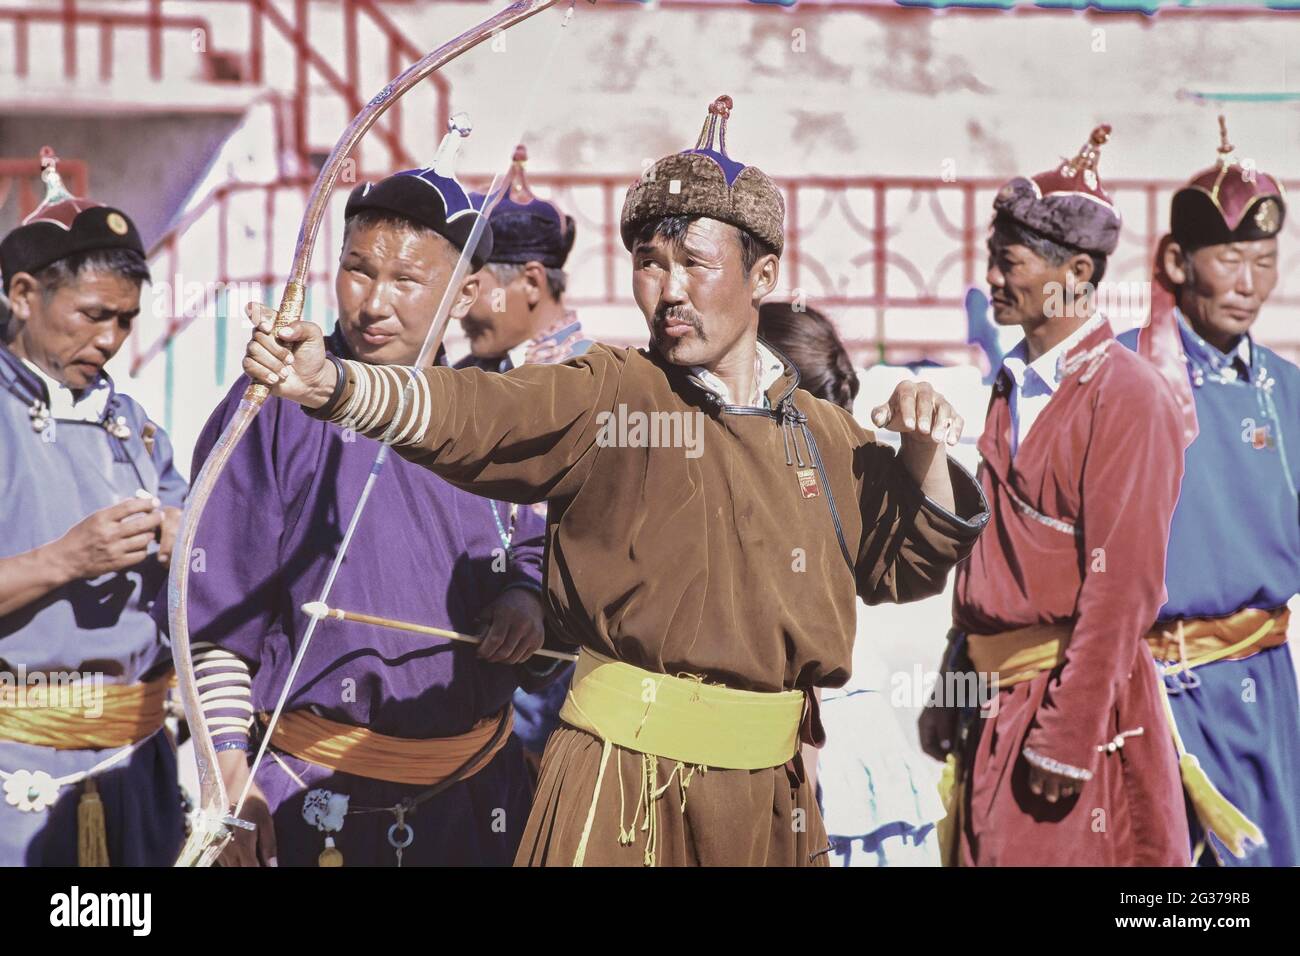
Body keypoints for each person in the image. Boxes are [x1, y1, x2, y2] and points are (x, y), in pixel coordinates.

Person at [239, 94, 988, 867]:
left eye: (693, 264)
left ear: (762, 273)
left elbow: (904, 568)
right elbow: (477, 410)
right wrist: (335, 384)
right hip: (618, 792)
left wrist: (922, 452)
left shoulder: (822, 433)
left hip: (768, 807)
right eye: (648, 264)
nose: (667, 292)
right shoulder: (612, 392)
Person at [184, 142, 553, 867]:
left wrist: (526, 600)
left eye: (408, 280)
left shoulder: (496, 410)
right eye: (357, 269)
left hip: (479, 796)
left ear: (469, 293)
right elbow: (214, 612)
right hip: (308, 794)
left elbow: (535, 545)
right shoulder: (278, 403)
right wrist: (229, 774)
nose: (374, 302)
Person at [920, 125, 1190, 866]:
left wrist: (1069, 738)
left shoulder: (1128, 397)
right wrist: (954, 676)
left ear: (1075, 270)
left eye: (1008, 264)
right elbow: (997, 553)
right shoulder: (1015, 384)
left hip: (1072, 714)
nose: (992, 280)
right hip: (995, 707)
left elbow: (1124, 589)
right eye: (991, 261)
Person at [1119, 117, 1300, 866]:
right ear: (1177, 260)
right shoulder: (1123, 379)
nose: (1249, 283)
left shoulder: (1288, 393)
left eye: (1265, 260)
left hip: (1263, 684)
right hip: (1152, 688)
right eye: (1229, 258)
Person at [0, 149, 186, 865]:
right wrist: (64, 561)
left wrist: (181, 539)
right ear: (22, 294)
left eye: (126, 321)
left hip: (134, 767)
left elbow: (203, 562)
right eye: (92, 315)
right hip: (18, 771)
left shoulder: (133, 425)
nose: (108, 341)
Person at [759, 301, 946, 866]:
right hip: (864, 749)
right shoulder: (850, 469)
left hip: (807, 752)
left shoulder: (787, 486)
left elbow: (800, 645)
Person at [457, 146, 592, 783]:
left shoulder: (599, 387)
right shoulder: (467, 381)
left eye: (476, 289)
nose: (461, 308)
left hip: (565, 702)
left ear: (531, 284)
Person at [458, 144, 593, 373]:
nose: (459, 310)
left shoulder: (588, 376)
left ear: (531, 282)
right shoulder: (467, 373)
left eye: (470, 289)